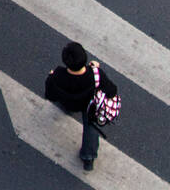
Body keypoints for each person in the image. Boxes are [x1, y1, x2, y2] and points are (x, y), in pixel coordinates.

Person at [44, 41, 117, 171]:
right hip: (88, 105)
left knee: (67, 103)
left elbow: (50, 95)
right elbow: (112, 91)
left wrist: (51, 77)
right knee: (91, 127)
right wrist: (95, 69)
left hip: (69, 102)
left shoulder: (57, 75)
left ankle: (67, 110)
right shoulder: (95, 75)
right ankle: (88, 157)